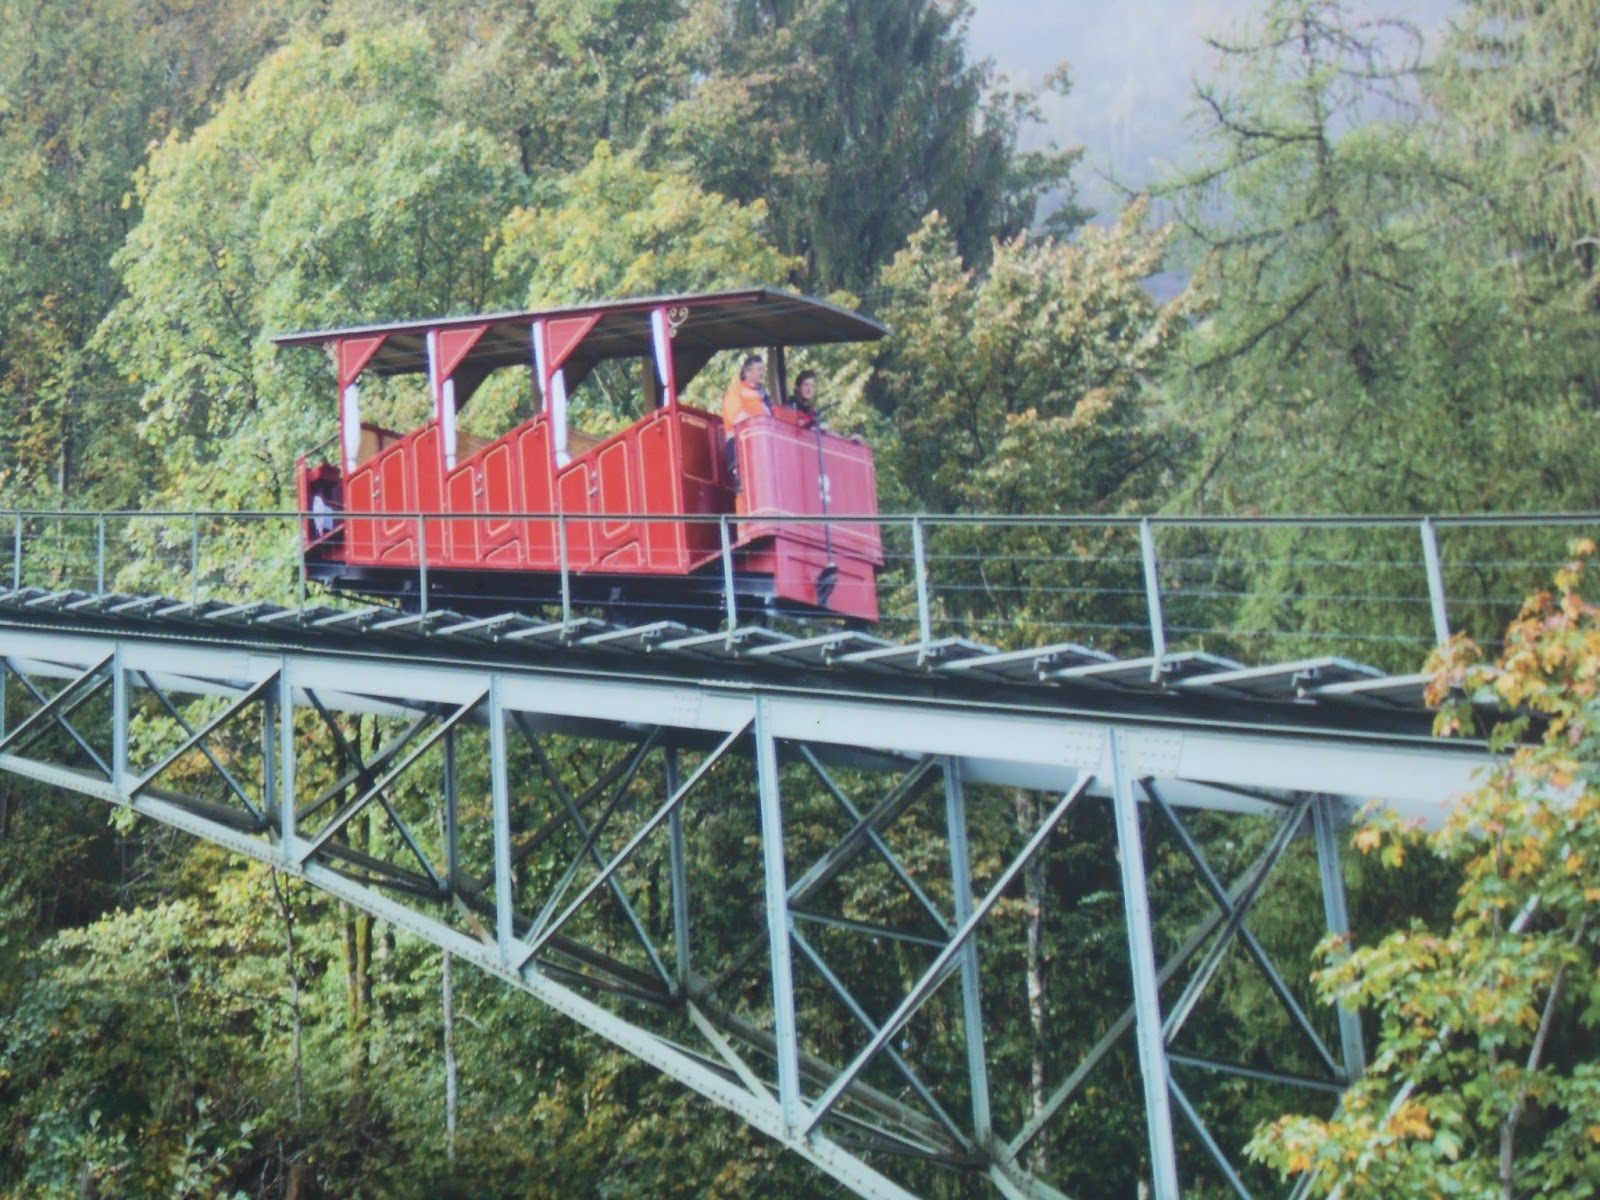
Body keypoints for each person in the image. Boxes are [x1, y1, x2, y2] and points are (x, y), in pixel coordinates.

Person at [721, 354, 772, 434]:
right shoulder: (736, 390)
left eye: (763, 369)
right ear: (746, 372)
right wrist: (756, 424)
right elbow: (735, 416)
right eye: (759, 369)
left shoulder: (764, 395)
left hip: (763, 435)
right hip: (741, 437)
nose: (762, 373)